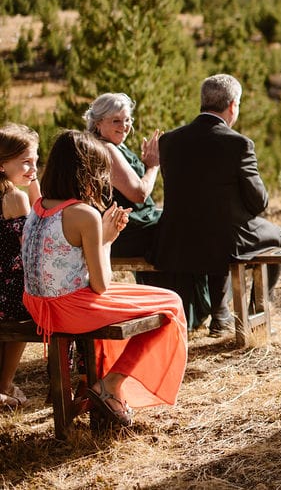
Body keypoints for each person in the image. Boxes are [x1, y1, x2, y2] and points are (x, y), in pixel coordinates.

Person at [21, 130, 187, 427]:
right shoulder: (84, 213)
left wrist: (101, 238)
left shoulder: (39, 206)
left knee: (146, 302)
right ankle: (111, 384)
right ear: (87, 172)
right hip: (67, 308)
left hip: (38, 304)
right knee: (171, 304)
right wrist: (108, 240)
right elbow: (101, 285)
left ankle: (102, 385)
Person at [155, 74, 281, 336]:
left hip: (177, 236)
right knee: (279, 237)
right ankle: (256, 313)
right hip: (225, 238)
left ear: (203, 101)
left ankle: (220, 315)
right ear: (233, 105)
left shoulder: (169, 140)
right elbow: (258, 202)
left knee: (219, 230)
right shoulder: (238, 144)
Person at [84, 93, 161, 260]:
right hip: (125, 231)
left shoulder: (113, 144)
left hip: (133, 225)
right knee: (184, 228)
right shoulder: (106, 148)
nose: (124, 126)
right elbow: (139, 193)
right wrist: (153, 166)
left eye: (127, 120)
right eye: (116, 120)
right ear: (98, 123)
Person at [0, 124, 40, 410]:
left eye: (36, 161)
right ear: (2, 164)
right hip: (9, 294)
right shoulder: (15, 197)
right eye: (25, 161)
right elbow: (33, 241)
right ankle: (4, 384)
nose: (32, 167)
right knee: (28, 300)